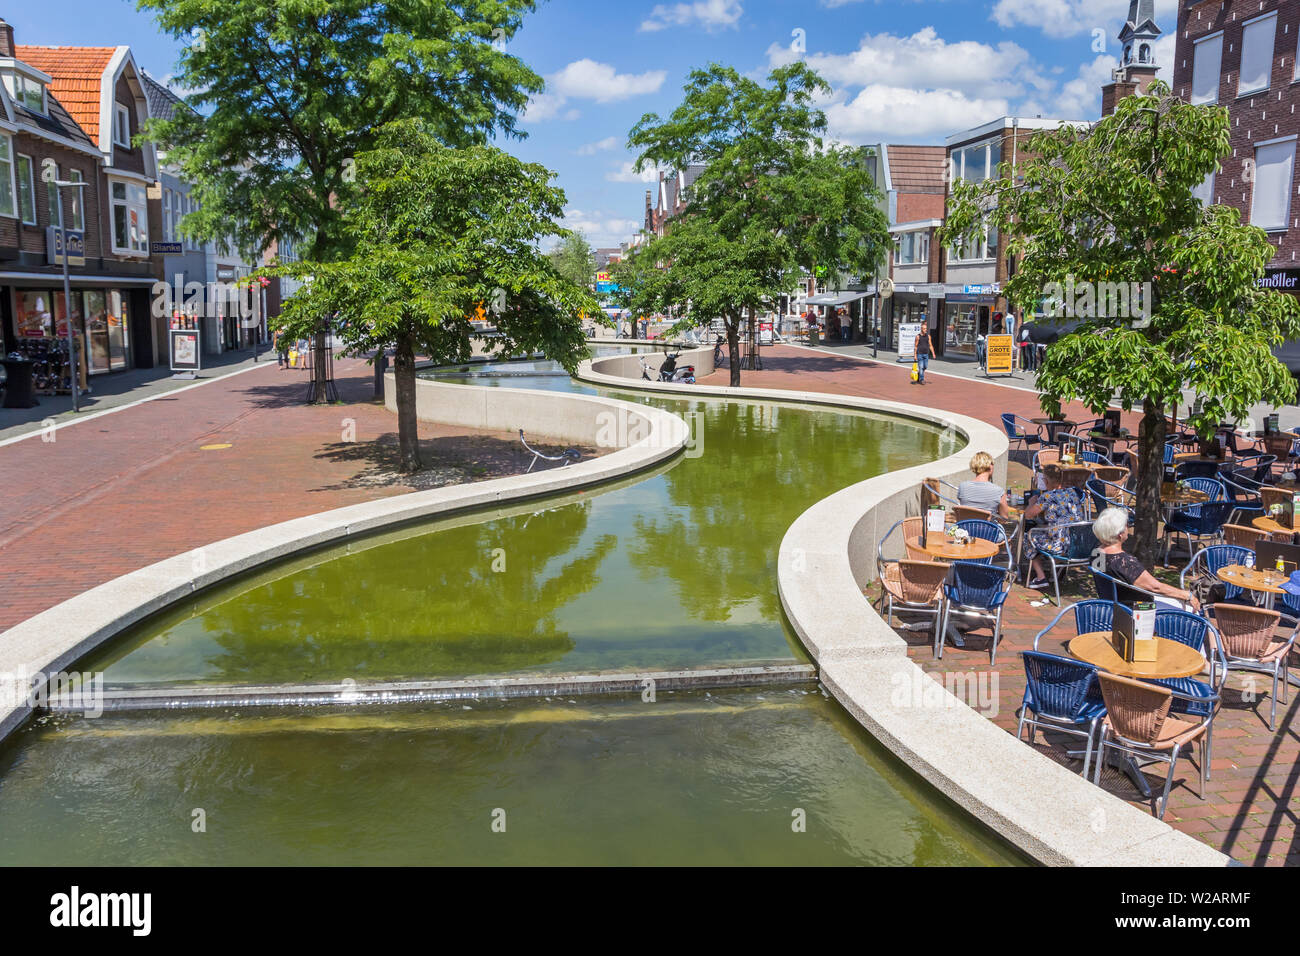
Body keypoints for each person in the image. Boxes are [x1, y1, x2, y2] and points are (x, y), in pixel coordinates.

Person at [1092, 507, 1200, 611]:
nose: (1128, 528)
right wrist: (1186, 595)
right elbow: (1155, 587)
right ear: (1120, 534)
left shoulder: (1096, 553)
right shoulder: (1124, 563)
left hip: (1113, 604)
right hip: (1136, 609)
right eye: (1127, 525)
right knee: (1192, 609)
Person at [1024, 463, 1085, 589]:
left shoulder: (1048, 496)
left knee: (1028, 536)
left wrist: (1031, 503)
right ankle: (1056, 569)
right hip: (1078, 544)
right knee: (1052, 531)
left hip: (1060, 546)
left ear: (1046, 481)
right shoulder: (1072, 492)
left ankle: (1041, 578)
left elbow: (1028, 515)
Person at [957, 451, 1011, 518]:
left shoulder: (962, 487)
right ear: (990, 467)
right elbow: (1004, 518)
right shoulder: (999, 491)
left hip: (965, 527)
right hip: (988, 528)